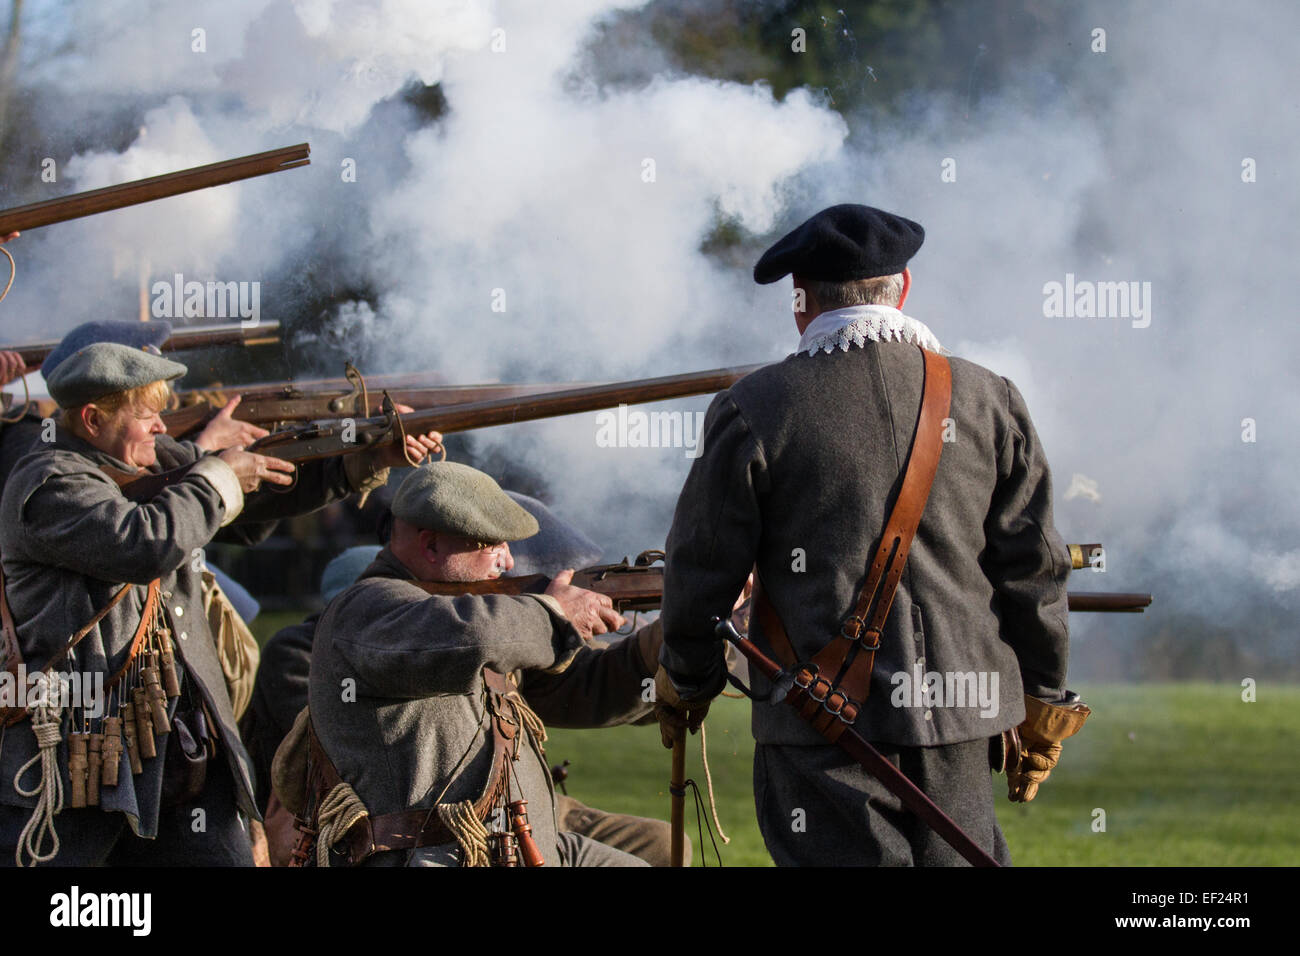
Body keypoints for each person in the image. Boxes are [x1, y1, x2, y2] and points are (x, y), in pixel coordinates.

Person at [655, 204, 1089, 866]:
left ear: (799, 301)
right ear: (903, 287)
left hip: (820, 720)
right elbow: (1034, 570)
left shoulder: (756, 407)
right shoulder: (990, 399)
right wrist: (1046, 704)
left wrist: (686, 679)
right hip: (961, 718)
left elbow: (702, 571)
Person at [0, 342, 440, 866]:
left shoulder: (157, 461)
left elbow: (259, 487)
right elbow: (144, 542)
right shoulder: (49, 482)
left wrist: (363, 458)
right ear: (93, 419)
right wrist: (219, 477)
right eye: (146, 415)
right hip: (81, 757)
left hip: (179, 749)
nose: (161, 427)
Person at [300, 461, 661, 866]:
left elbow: (584, 686)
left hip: (522, 847)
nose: (507, 562)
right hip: (433, 857)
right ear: (431, 545)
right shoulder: (366, 608)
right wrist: (554, 615)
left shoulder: (478, 620)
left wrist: (670, 636)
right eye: (491, 545)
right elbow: (464, 639)